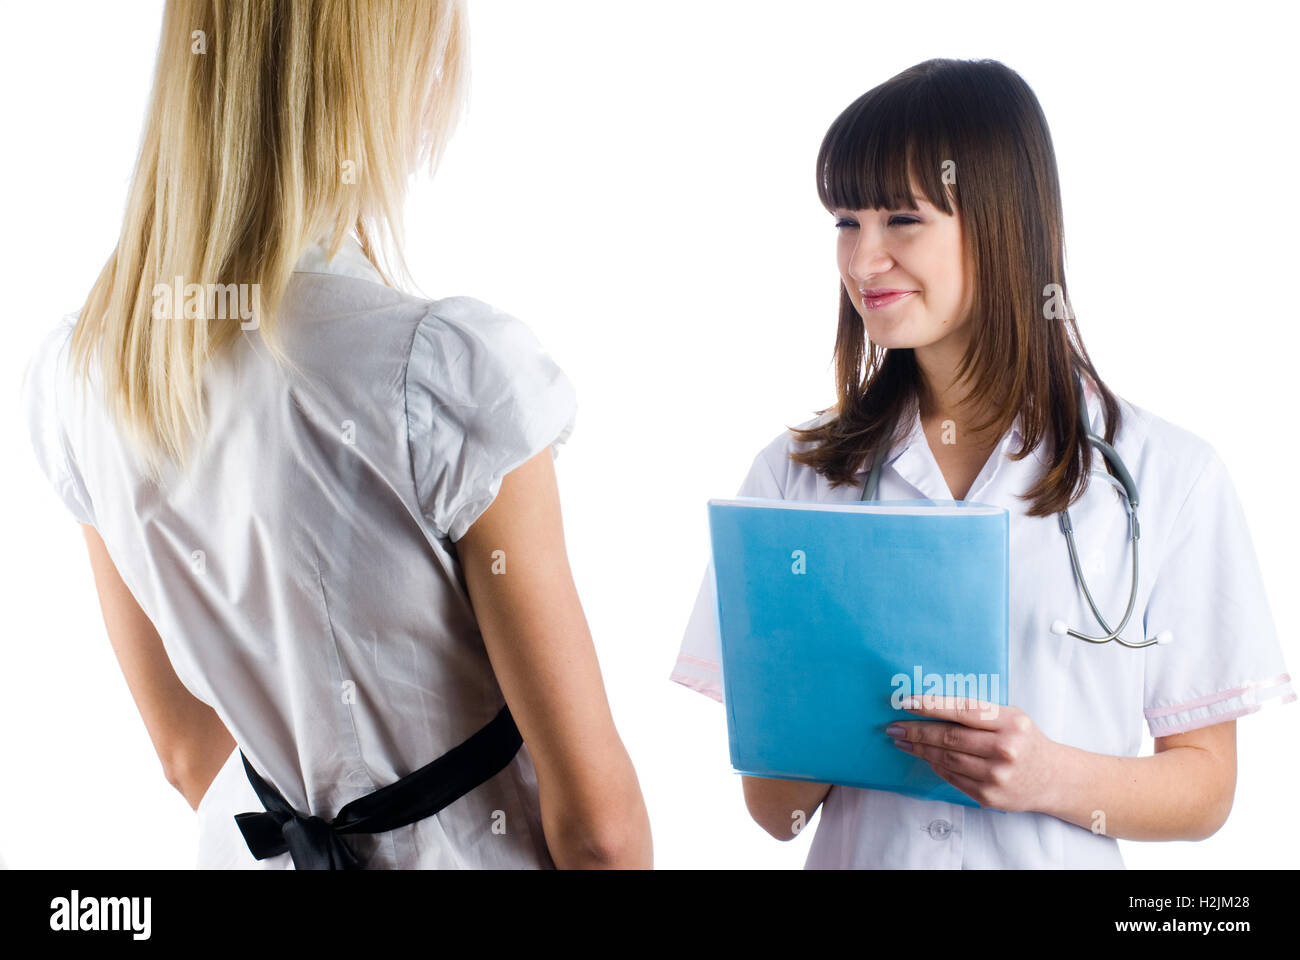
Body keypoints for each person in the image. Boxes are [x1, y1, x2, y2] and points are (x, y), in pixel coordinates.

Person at [21, 0, 650, 869]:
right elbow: (601, 835)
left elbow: (185, 756)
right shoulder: (445, 372)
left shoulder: (86, 371)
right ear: (378, 69)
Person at [670, 57, 1293, 868]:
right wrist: (828, 702)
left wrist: (1046, 776)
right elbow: (773, 809)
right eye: (845, 223)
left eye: (901, 219)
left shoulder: (1165, 475)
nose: (862, 262)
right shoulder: (797, 477)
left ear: (1000, 221)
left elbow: (1205, 789)